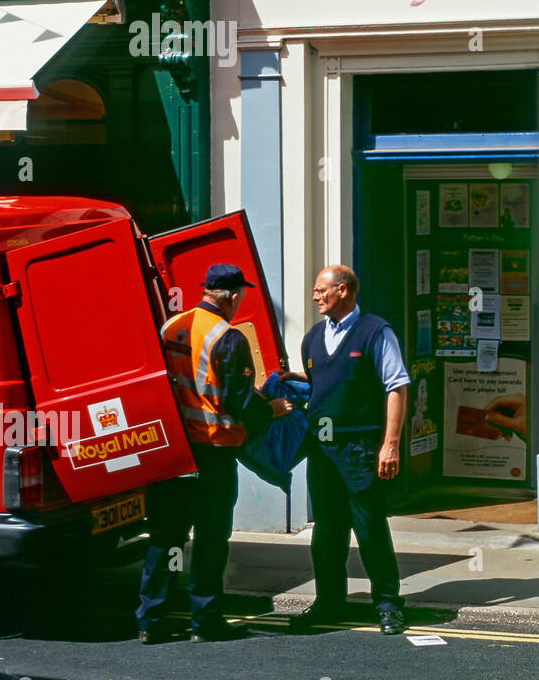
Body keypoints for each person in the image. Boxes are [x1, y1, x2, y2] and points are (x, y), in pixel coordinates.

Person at [137, 264, 290, 644]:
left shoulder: (171, 327)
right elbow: (237, 401)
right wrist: (270, 410)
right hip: (213, 453)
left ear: (206, 290)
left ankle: (151, 619)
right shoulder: (229, 338)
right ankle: (205, 621)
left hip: (173, 451)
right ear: (234, 296)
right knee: (209, 539)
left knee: (166, 536)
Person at [291, 264, 410, 636]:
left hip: (361, 450)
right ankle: (329, 602)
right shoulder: (311, 339)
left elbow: (397, 386)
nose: (315, 296)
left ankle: (388, 604)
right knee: (327, 531)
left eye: (320, 289)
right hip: (322, 453)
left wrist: (390, 445)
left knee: (370, 527)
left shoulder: (375, 331)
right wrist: (286, 382)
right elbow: (321, 385)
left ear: (342, 290)